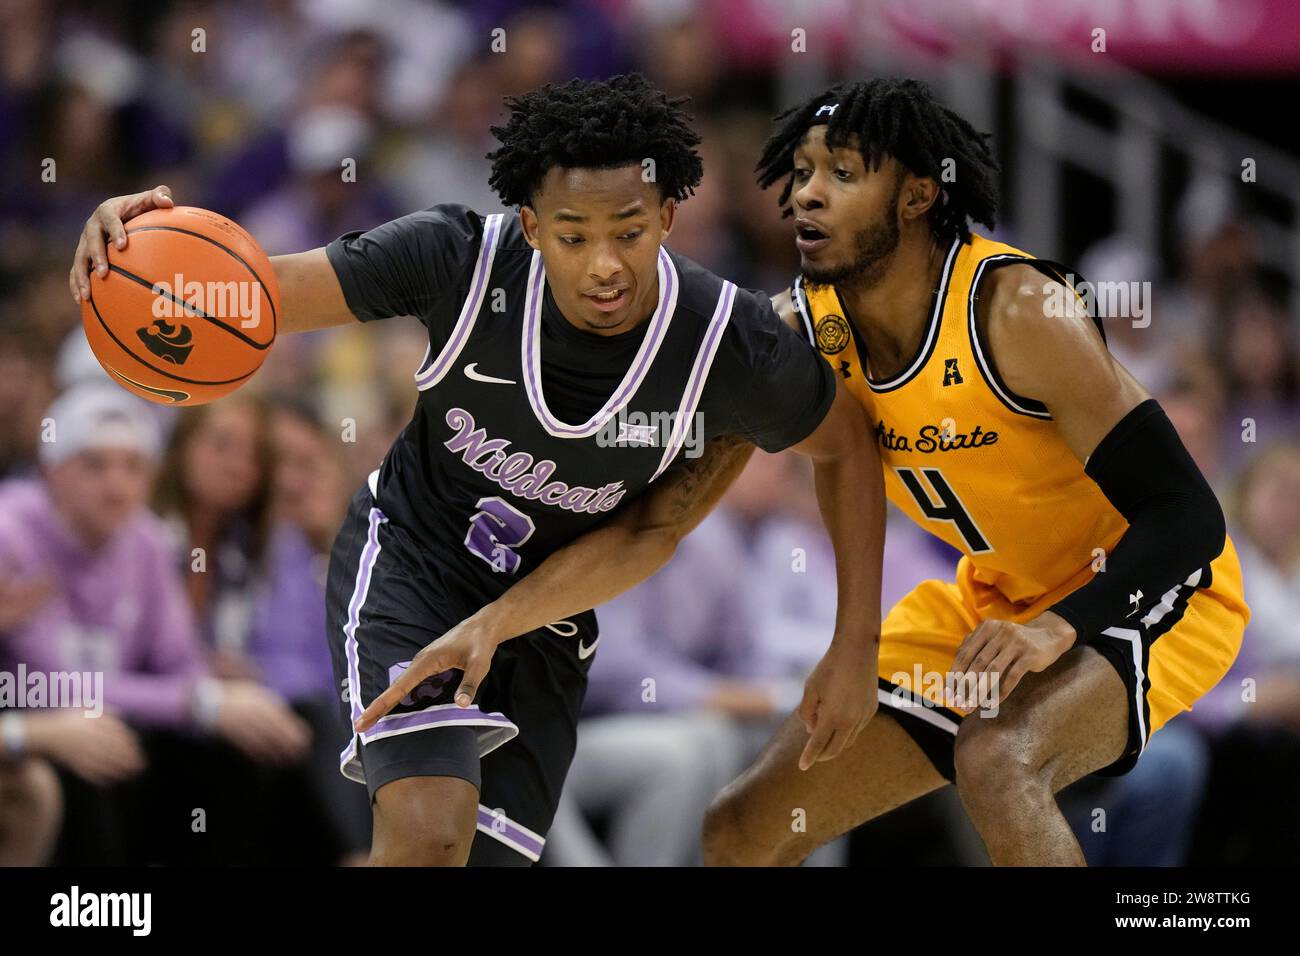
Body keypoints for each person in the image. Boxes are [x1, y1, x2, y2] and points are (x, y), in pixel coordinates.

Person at [70, 74, 886, 867]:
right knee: (428, 836)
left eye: (629, 233)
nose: (605, 264)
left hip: (551, 616)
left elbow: (839, 451)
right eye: (574, 236)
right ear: (530, 225)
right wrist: (134, 245)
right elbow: (262, 291)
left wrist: (854, 646)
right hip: (414, 565)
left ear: (669, 216)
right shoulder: (457, 259)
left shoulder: (726, 341)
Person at [703, 77, 1249, 867]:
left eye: (843, 174)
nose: (806, 195)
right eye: (803, 171)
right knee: (743, 829)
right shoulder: (805, 327)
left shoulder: (1018, 310)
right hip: (994, 603)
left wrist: (1060, 626)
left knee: (998, 759)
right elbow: (781, 471)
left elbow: (1189, 518)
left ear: (919, 195)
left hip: (1154, 587)